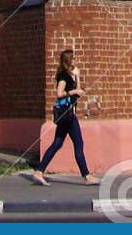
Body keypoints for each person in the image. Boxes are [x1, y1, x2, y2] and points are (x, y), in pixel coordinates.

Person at [31, 49, 96, 184]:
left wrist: (78, 76)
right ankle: (87, 176)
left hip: (69, 115)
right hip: (67, 115)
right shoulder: (63, 76)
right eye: (74, 58)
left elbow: (78, 93)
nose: (76, 60)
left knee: (57, 143)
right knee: (78, 143)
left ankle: (39, 171)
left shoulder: (70, 75)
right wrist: (74, 91)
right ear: (68, 60)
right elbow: (59, 94)